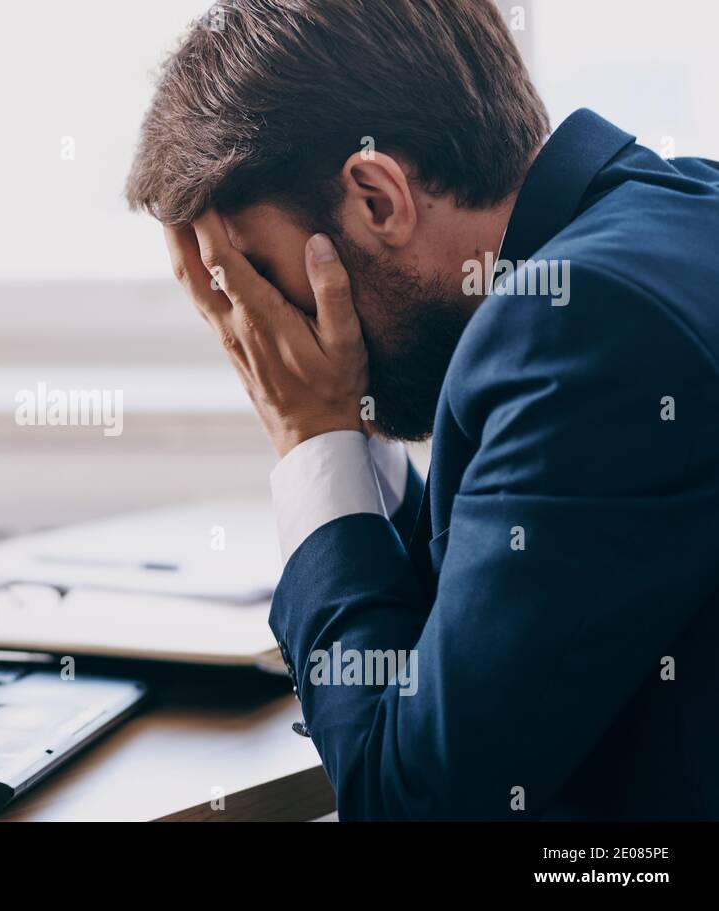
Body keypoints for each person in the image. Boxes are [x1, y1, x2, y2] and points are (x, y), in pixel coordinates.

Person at [125, 0, 719, 820]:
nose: (263, 332)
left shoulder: (576, 327)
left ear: (375, 199)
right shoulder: (670, 215)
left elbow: (412, 802)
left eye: (259, 280)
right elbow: (487, 621)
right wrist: (351, 423)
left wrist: (311, 437)